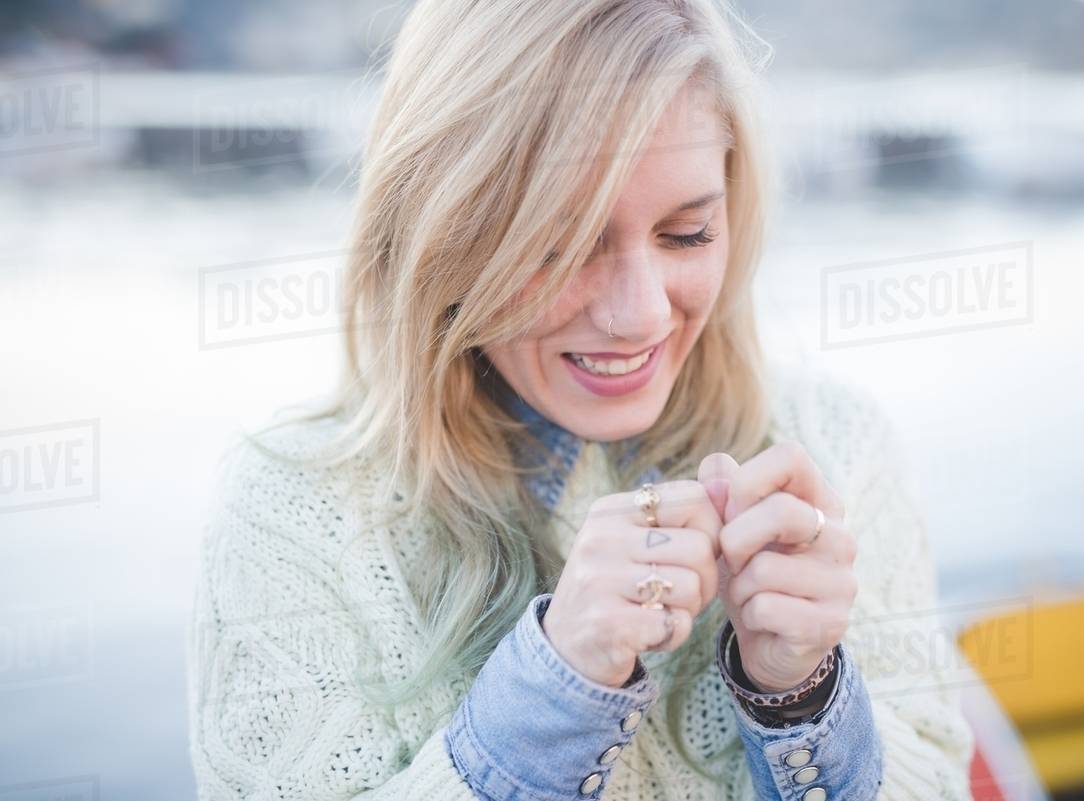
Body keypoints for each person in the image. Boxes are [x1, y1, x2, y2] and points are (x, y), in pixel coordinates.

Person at [186, 1, 975, 798]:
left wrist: (803, 695)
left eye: (687, 234)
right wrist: (550, 698)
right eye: (558, 245)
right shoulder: (291, 510)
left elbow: (941, 773)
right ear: (437, 229)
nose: (640, 315)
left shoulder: (837, 444)